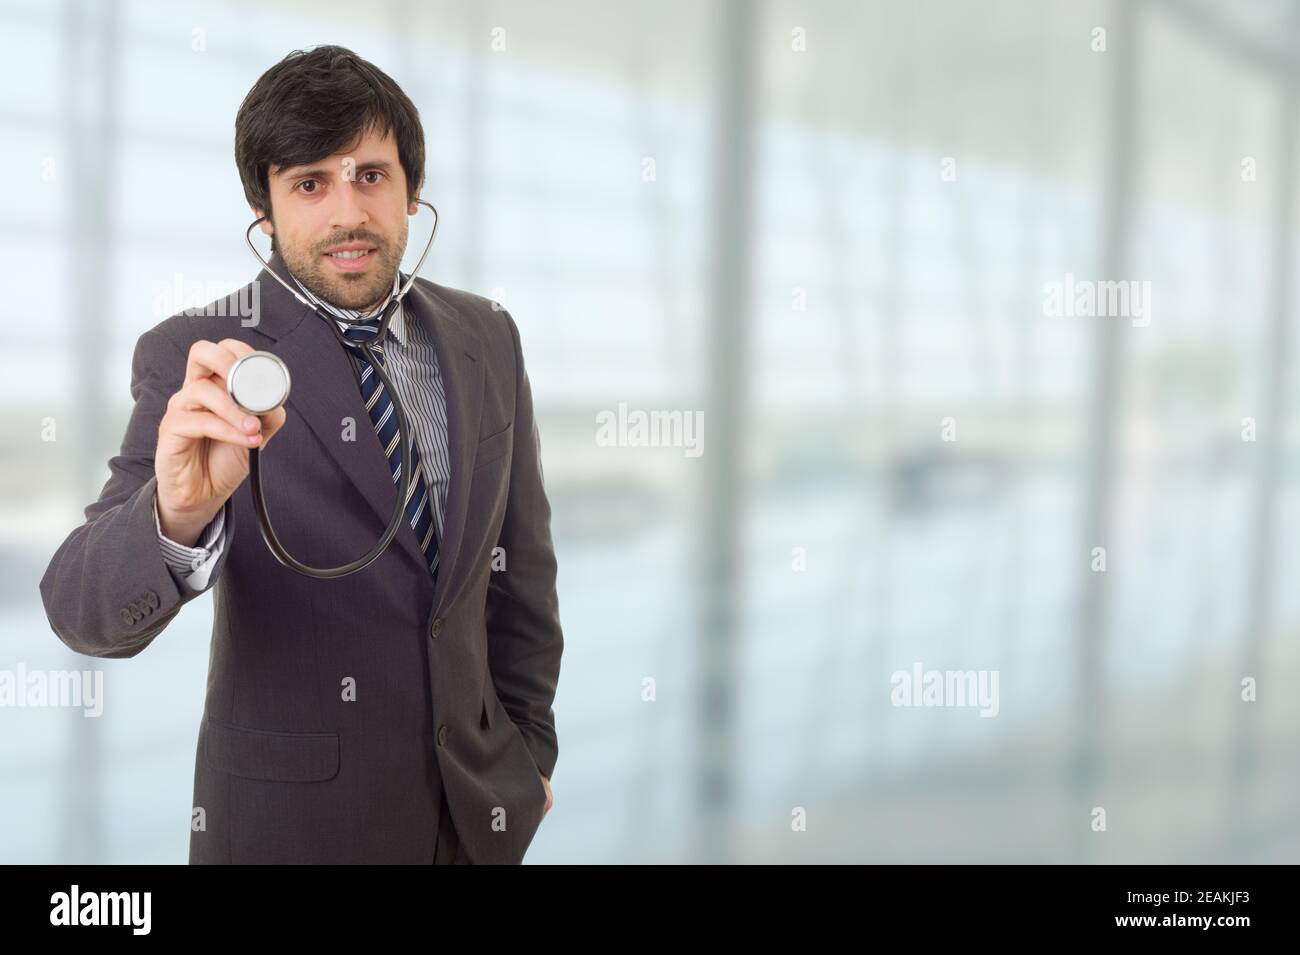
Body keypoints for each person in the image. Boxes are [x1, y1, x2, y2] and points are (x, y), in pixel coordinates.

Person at [39, 45, 562, 865]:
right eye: (309, 183)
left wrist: (530, 754)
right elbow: (79, 610)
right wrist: (178, 514)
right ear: (267, 210)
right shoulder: (199, 353)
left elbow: (520, 568)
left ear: (411, 191)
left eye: (371, 175)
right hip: (296, 831)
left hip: (476, 820)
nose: (346, 212)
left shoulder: (487, 335)